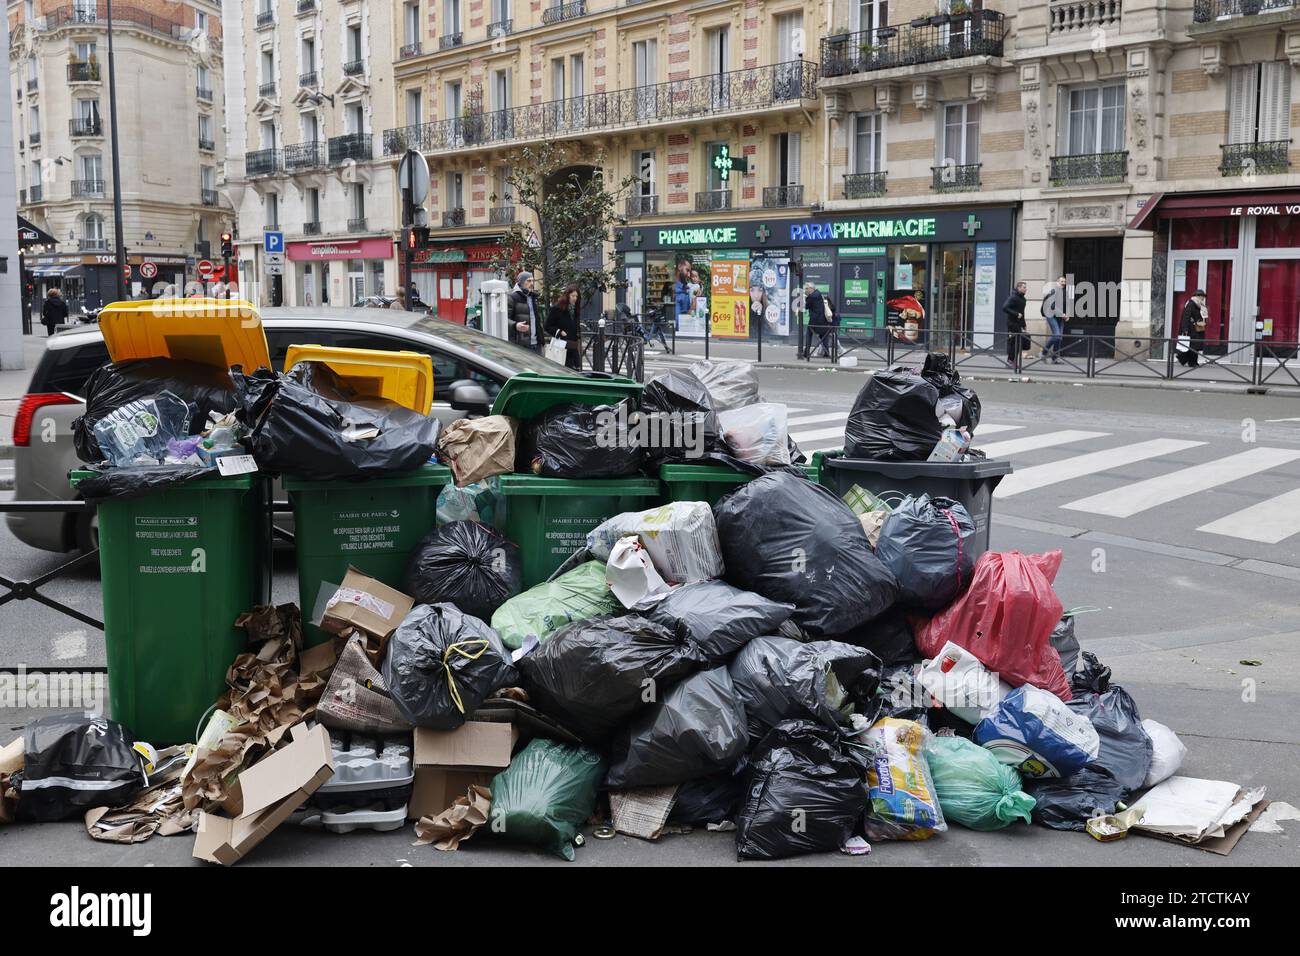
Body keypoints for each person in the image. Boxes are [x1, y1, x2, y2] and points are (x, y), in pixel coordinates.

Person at [546, 285, 583, 370]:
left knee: (575, 371)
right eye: (573, 296)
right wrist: (559, 332)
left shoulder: (575, 310)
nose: (575, 298)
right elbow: (547, 326)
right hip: (561, 346)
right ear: (567, 296)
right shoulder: (557, 309)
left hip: (572, 347)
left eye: (576, 296)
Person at [509, 271, 542, 351]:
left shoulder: (533, 297)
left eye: (533, 281)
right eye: (528, 281)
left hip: (536, 344)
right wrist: (515, 325)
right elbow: (504, 319)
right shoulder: (512, 297)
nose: (532, 283)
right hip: (521, 345)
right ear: (521, 282)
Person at [1040, 275, 1069, 364]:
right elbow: (1052, 306)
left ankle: (1054, 358)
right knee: (1056, 335)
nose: (1063, 283)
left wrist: (1067, 314)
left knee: (1059, 337)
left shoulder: (1064, 292)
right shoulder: (1053, 291)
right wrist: (1062, 314)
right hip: (1051, 315)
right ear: (1057, 282)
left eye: (1064, 282)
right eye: (1061, 281)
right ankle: (1043, 352)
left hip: (1059, 316)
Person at [1177, 289, 1209, 368]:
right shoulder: (1190, 304)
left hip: (1198, 328)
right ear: (1197, 296)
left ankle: (1189, 360)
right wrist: (1185, 329)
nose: (1203, 298)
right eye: (1202, 296)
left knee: (1195, 346)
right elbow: (1185, 317)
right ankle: (1191, 362)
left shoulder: (1200, 305)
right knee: (1193, 346)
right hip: (1191, 329)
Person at [1002, 280, 1028, 368]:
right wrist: (1016, 314)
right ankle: (1010, 361)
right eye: (1024, 287)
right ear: (1019, 288)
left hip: (1019, 324)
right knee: (1014, 343)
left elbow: (1022, 312)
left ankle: (1011, 361)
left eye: (1026, 287)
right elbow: (1005, 307)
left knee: (1017, 343)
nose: (1026, 289)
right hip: (1012, 323)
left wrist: (1024, 324)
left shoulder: (1023, 299)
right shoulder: (1013, 297)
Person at [801, 282, 829, 359]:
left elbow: (806, 306)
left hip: (814, 320)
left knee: (809, 334)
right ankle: (826, 352)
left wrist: (805, 296)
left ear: (811, 288)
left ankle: (806, 352)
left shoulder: (812, 296)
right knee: (823, 335)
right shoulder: (818, 293)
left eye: (807, 288)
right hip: (822, 319)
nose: (806, 290)